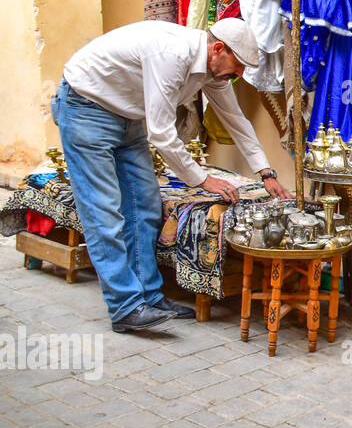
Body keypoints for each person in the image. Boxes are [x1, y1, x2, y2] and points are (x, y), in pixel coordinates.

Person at [52, 18, 289, 333]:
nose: (239, 75)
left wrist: (266, 172)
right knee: (104, 212)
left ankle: (149, 296)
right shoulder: (171, 54)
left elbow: (236, 119)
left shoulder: (213, 69)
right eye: (239, 66)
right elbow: (162, 133)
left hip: (127, 117)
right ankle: (125, 307)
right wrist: (202, 179)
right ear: (218, 48)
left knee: (146, 204)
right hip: (87, 109)